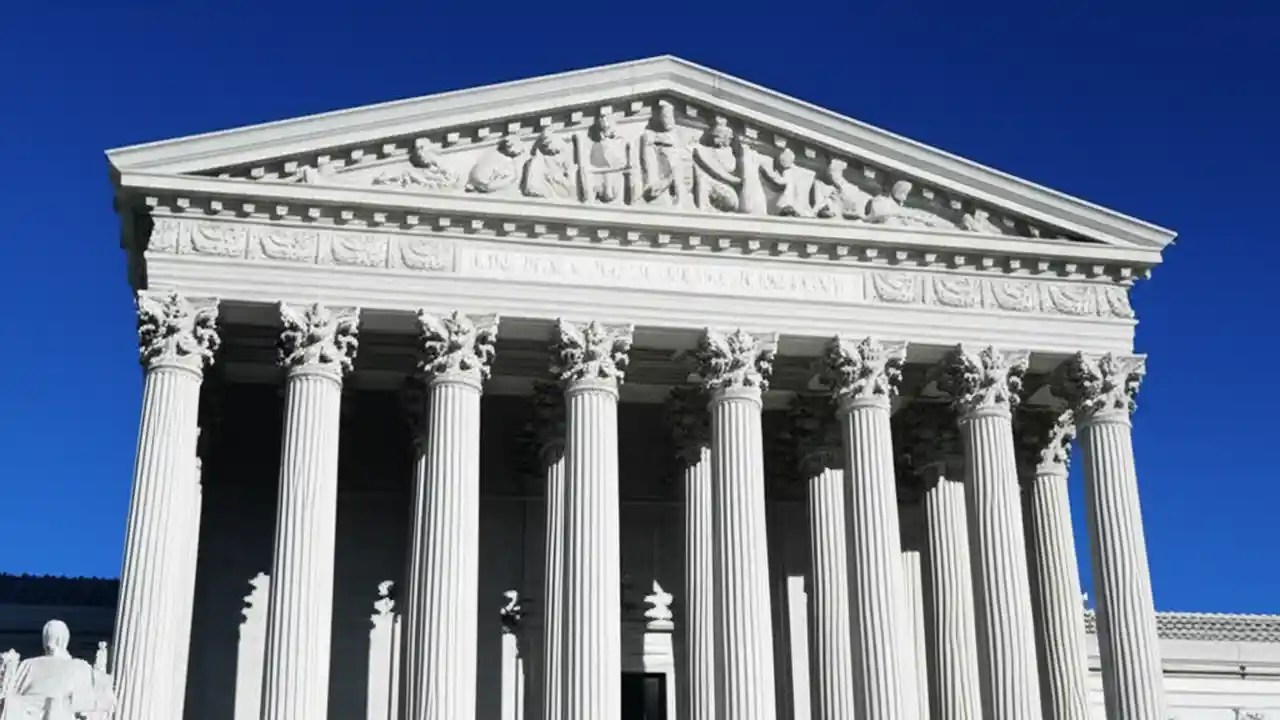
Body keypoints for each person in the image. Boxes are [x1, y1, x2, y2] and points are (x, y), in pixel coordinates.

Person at [0, 620, 114, 720]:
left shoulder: (28, 664)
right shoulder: (79, 666)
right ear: (63, 640)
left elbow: (11, 692)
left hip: (50, 710)